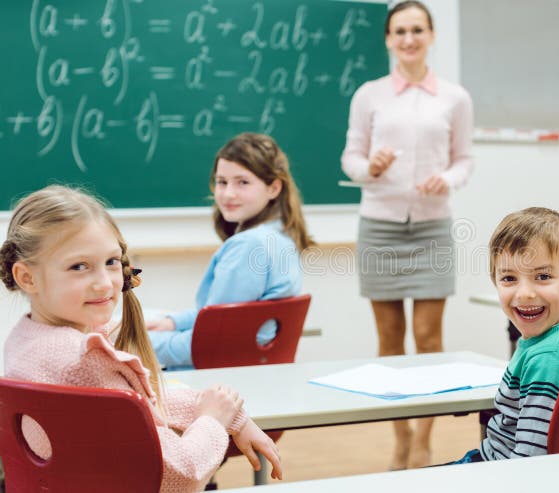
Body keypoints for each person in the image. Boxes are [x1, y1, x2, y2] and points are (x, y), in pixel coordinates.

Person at [0, 185, 283, 491]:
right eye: (79, 267)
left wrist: (229, 413)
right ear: (26, 277)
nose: (104, 283)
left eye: (110, 262)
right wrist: (213, 421)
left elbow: (137, 407)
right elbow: (181, 474)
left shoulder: (25, 341)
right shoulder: (86, 358)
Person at [341, 0, 474, 469]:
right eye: (399, 31)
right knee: (390, 341)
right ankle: (399, 433)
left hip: (433, 228)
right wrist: (369, 167)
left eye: (417, 29)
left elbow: (464, 160)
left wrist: (450, 179)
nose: (409, 39)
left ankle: (424, 435)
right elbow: (350, 158)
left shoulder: (454, 97)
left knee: (429, 338)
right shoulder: (370, 95)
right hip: (380, 226)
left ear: (432, 35)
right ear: (388, 40)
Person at [147, 133, 314, 369]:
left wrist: (138, 343)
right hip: (246, 368)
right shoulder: (281, 237)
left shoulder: (249, 246)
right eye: (222, 182)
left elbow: (213, 343)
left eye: (242, 182)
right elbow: (221, 317)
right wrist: (173, 322)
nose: (227, 194)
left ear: (274, 188)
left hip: (217, 375)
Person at [449, 207, 559, 463]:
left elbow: (529, 461)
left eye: (543, 276)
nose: (525, 293)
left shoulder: (549, 358)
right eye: (509, 278)